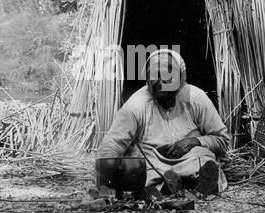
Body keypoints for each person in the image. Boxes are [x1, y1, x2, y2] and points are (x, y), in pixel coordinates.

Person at [95, 48, 230, 197]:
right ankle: (172, 184)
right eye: (154, 76)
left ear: (181, 78)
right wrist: (105, 183)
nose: (160, 81)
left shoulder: (195, 98)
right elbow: (112, 144)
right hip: (152, 161)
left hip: (190, 158)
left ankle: (192, 184)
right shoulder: (136, 105)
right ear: (147, 80)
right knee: (136, 160)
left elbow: (222, 139)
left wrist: (195, 141)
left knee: (203, 157)